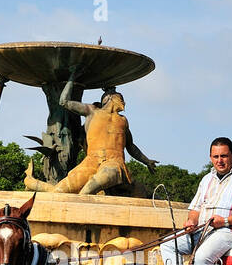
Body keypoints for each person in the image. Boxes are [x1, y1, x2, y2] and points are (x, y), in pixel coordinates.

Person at [24, 82, 157, 195]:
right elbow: (63, 102)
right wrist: (72, 78)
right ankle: (30, 182)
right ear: (109, 98)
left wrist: (147, 161)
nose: (124, 102)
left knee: (87, 191)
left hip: (113, 163)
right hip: (91, 161)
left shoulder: (123, 121)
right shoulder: (92, 111)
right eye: (121, 98)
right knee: (58, 192)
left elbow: (131, 146)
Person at [160, 138, 232, 265]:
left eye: (224, 156)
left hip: (230, 232)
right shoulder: (207, 179)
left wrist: (225, 221)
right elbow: (196, 208)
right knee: (167, 244)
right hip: (203, 231)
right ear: (210, 157)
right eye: (216, 156)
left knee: (201, 257)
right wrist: (192, 221)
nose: (219, 161)